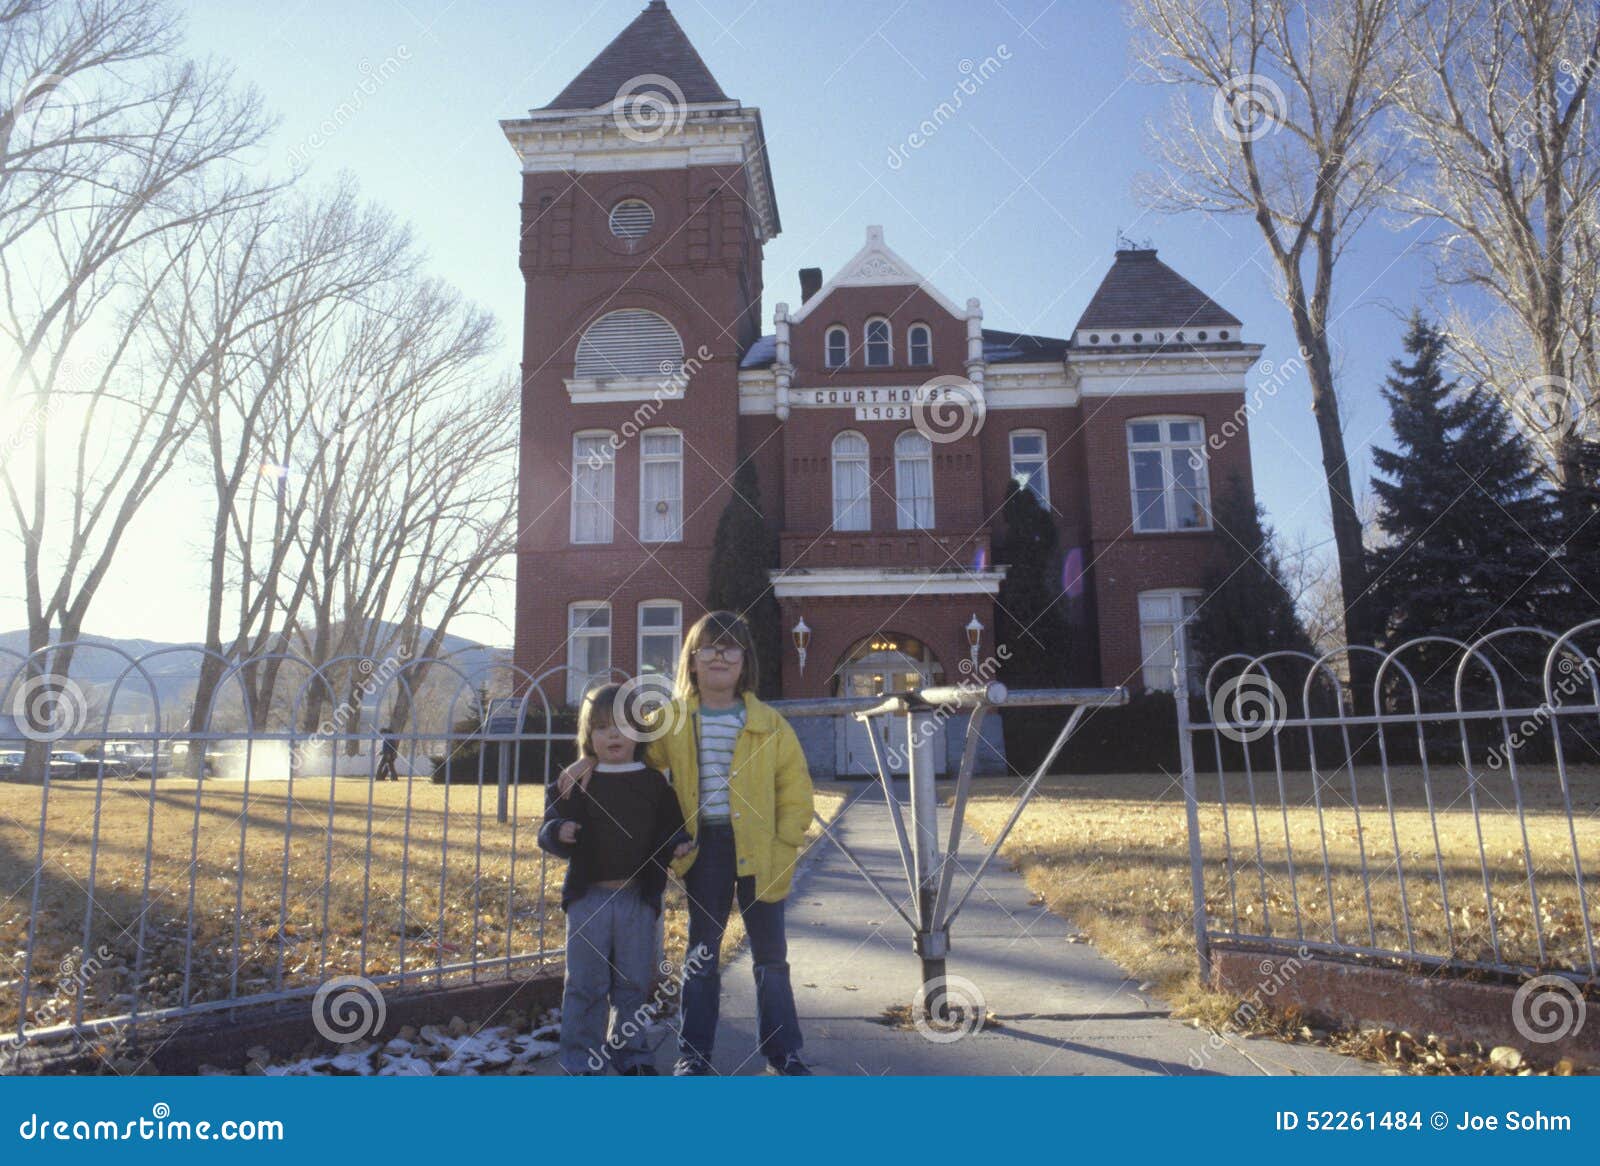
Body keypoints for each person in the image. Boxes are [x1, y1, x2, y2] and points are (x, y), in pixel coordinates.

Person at [559, 610, 816, 1076]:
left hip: (762, 848)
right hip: (706, 848)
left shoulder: (769, 723)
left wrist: (786, 838)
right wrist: (585, 762)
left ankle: (784, 1052)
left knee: (771, 956)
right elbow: (630, 753)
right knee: (702, 954)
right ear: (692, 661)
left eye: (730, 647)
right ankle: (693, 1055)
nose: (720, 656)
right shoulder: (672, 719)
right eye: (709, 648)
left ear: (745, 660)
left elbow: (794, 787)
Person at [539, 684, 694, 1075]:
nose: (613, 735)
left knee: (633, 985)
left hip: (637, 899)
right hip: (588, 899)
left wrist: (677, 844)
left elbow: (670, 826)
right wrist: (559, 831)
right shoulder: (577, 780)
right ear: (589, 735)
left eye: (624, 726)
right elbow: (547, 827)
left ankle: (632, 1054)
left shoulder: (653, 783)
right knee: (585, 985)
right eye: (603, 727)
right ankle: (579, 1059)